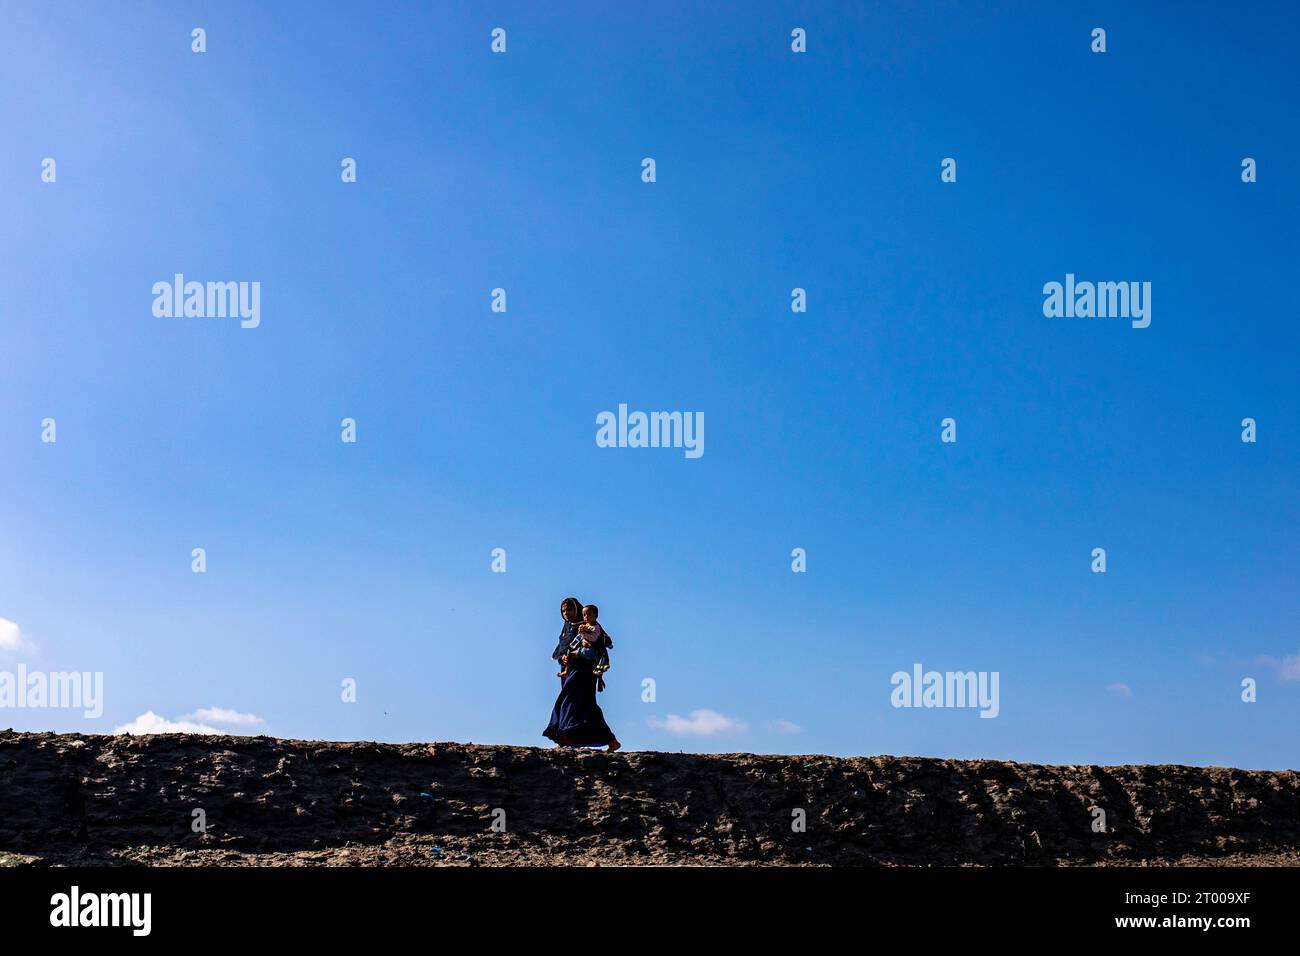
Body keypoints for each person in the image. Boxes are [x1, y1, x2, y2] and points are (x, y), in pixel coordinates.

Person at [544, 597, 620, 751]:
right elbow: (562, 648)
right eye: (563, 611)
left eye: (569, 610)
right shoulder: (567, 628)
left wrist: (588, 644)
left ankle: (565, 736)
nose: (566, 613)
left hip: (584, 671)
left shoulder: (587, 626)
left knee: (572, 701)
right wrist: (564, 656)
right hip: (569, 670)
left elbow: (604, 641)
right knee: (582, 705)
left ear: (577, 610)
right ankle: (568, 738)